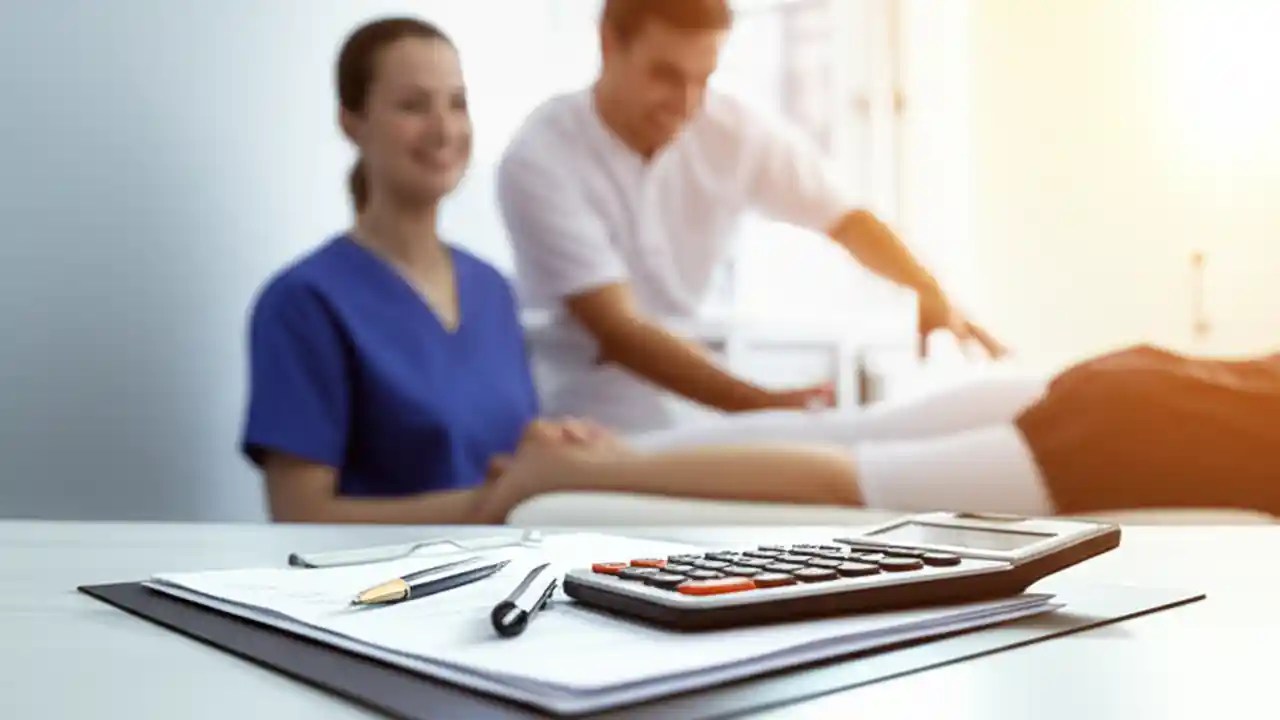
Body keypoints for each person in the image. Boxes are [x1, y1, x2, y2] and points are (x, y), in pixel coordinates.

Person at [239, 17, 866, 524]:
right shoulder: (303, 304)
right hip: (369, 597)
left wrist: (558, 449)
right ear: (351, 121)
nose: (443, 129)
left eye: (457, 104)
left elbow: (501, 453)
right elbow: (301, 511)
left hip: (502, 581)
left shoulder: (488, 290)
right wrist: (491, 506)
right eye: (412, 105)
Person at [496, 0, 1005, 434]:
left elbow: (846, 218)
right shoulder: (540, 157)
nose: (687, 103)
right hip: (589, 423)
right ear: (609, 44)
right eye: (666, 75)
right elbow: (620, 330)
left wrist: (927, 288)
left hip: (702, 416)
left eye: (704, 79)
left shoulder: (731, 129)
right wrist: (765, 407)